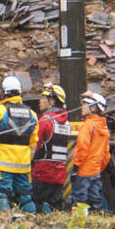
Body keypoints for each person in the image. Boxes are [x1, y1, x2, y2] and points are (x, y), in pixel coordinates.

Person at [0, 75, 39, 212]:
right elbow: (33, 142)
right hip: (23, 164)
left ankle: (3, 222)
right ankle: (31, 223)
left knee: (1, 192)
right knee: (25, 195)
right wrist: (27, 159)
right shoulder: (32, 114)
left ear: (4, 92)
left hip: (2, 161)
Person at [32, 83, 72, 213]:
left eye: (43, 97)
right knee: (57, 206)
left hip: (42, 172)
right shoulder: (66, 123)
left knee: (36, 202)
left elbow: (35, 145)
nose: (40, 101)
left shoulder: (45, 121)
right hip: (59, 174)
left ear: (52, 101)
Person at [73, 91, 111, 212]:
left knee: (80, 199)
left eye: (85, 104)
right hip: (95, 172)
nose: (82, 107)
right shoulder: (104, 127)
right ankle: (96, 223)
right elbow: (106, 154)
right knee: (95, 199)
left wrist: (76, 165)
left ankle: (79, 224)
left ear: (94, 107)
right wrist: (98, 168)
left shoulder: (88, 125)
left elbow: (82, 147)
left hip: (84, 171)